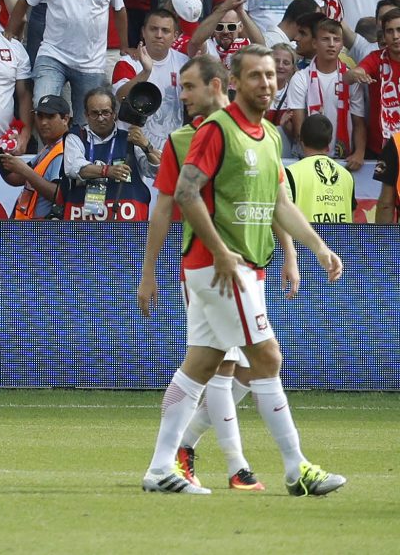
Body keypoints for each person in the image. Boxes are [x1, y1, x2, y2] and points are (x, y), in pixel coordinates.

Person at [143, 46, 347, 496]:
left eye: (271, 75)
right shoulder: (218, 129)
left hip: (245, 266)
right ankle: (297, 469)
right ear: (233, 82)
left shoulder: (272, 136)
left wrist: (317, 246)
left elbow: (279, 203)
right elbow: (185, 193)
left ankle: (160, 467)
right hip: (222, 268)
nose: (266, 83)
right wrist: (218, 251)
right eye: (255, 75)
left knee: (202, 363)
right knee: (267, 358)